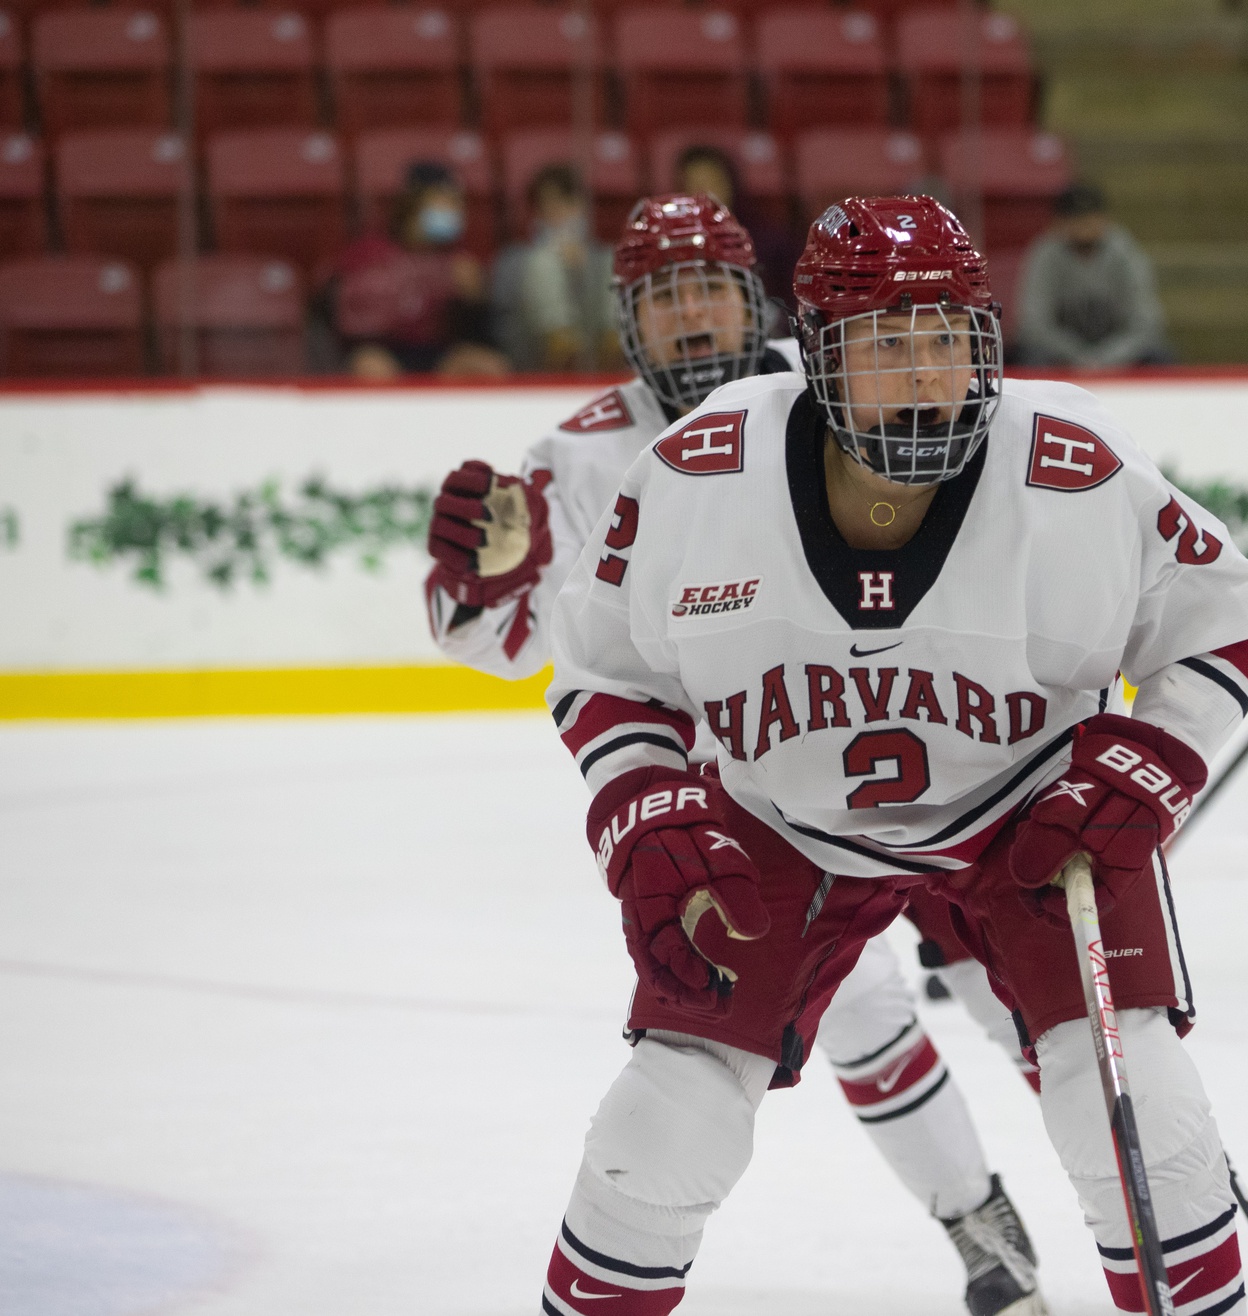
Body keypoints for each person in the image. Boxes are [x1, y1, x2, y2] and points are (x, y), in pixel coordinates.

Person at [536, 195, 1248, 1316]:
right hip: (780, 822)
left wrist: (1148, 763)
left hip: (1030, 811)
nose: (926, 371)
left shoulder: (1070, 459)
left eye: (948, 337)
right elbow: (602, 669)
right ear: (818, 358)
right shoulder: (698, 472)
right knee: (658, 1126)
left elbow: (1229, 620)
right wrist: (640, 799)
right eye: (887, 343)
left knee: (1129, 1106)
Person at [424, 195, 1051, 1316]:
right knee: (863, 1010)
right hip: (767, 802)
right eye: (662, 297)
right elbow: (527, 644)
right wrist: (482, 584)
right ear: (626, 318)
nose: (690, 315)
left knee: (1033, 1000)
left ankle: (1133, 1169)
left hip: (951, 756)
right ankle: (974, 1217)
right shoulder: (574, 453)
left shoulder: (846, 373)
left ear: (756, 301)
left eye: (708, 286)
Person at [329, 162, 508, 380]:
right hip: (385, 350)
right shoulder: (369, 253)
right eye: (443, 201)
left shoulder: (460, 260)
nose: (453, 210)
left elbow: (478, 337)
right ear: (414, 203)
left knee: (487, 366)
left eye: (457, 203)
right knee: (371, 367)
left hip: (440, 353)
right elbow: (348, 325)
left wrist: (473, 301)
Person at [1013, 182, 1172, 369]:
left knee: (1160, 356)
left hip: (1118, 353)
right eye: (1076, 218)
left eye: (1090, 218)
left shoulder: (1125, 253)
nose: (1084, 226)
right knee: (1029, 357)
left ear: (1105, 219)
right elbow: (1032, 324)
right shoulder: (1045, 255)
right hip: (1062, 356)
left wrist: (1106, 359)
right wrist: (1078, 357)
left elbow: (1147, 323)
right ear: (1060, 222)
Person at [497, 162, 619, 372]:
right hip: (531, 356)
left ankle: (611, 355)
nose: (557, 212)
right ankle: (561, 344)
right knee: (542, 262)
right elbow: (502, 314)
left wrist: (582, 269)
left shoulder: (601, 257)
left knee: (613, 261)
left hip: (596, 353)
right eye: (548, 205)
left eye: (566, 203)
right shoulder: (514, 257)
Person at [673, 143, 801, 322]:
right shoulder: (672, 247)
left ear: (731, 183)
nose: (704, 195)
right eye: (695, 185)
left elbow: (794, 303)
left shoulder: (771, 241)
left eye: (713, 182)